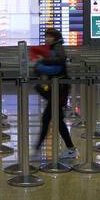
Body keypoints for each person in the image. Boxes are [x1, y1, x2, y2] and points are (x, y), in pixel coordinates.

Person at [33, 28, 78, 160]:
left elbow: (60, 61)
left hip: (59, 89)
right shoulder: (53, 48)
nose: (47, 38)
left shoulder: (58, 47)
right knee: (55, 120)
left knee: (49, 119)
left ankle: (37, 150)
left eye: (49, 36)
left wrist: (41, 63)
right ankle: (70, 149)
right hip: (57, 88)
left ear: (55, 37)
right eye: (46, 36)